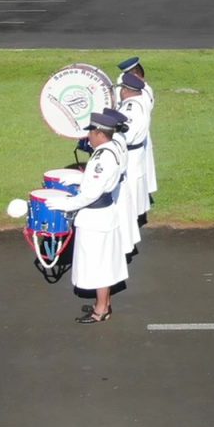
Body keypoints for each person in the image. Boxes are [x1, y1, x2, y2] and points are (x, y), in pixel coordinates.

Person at [47, 110, 130, 324]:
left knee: (99, 265)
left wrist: (65, 204)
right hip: (104, 214)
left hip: (96, 218)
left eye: (91, 133)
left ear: (100, 134)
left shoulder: (103, 157)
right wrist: (79, 180)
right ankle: (102, 304)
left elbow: (92, 193)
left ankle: (101, 309)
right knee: (103, 262)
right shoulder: (114, 148)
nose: (88, 137)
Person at [115, 73, 152, 255]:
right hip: (137, 155)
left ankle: (126, 245)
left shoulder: (130, 108)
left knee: (125, 203)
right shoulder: (142, 100)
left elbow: (125, 135)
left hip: (129, 156)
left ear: (127, 90)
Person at [118, 56, 157, 208]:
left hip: (134, 141)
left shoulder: (138, 99)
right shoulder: (143, 91)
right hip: (139, 138)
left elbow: (128, 127)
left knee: (133, 183)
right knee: (139, 178)